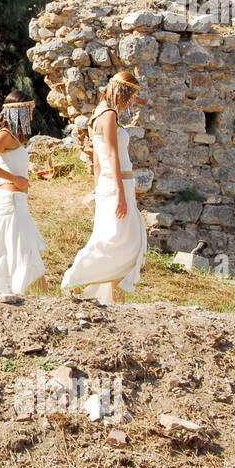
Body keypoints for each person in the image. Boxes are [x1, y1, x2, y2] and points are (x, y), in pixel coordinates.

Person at [61, 70, 148, 304]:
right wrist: (119, 193)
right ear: (122, 92)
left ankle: (115, 298)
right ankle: (77, 277)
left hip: (110, 184)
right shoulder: (108, 114)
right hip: (117, 184)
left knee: (122, 239)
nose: (131, 102)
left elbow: (98, 161)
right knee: (120, 241)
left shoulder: (97, 115)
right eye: (130, 96)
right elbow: (111, 155)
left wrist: (99, 188)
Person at [0, 91, 48, 294]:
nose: (32, 114)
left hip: (16, 200)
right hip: (10, 200)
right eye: (29, 110)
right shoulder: (5, 135)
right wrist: (15, 179)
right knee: (22, 246)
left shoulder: (14, 138)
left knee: (12, 247)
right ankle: (38, 292)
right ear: (20, 111)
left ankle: (22, 290)